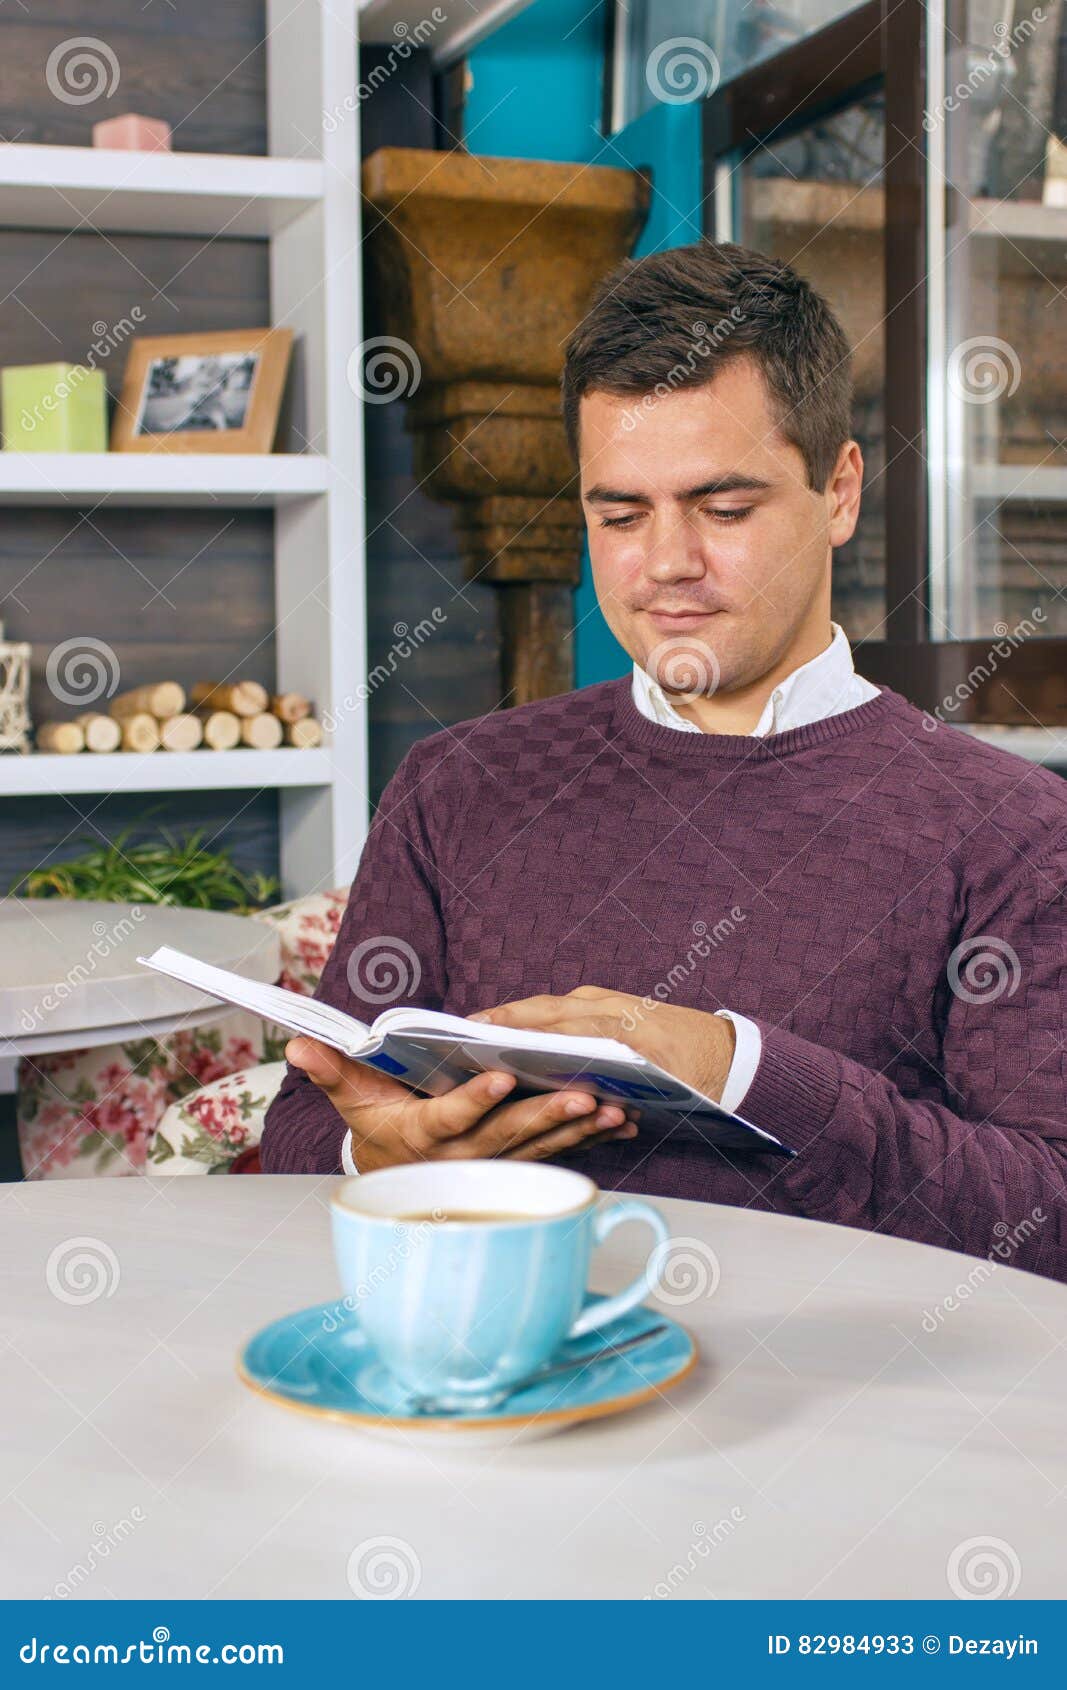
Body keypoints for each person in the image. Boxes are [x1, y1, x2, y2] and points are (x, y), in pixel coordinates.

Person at [261, 239, 1067, 1279]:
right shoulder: (457, 785)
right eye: (619, 513)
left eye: (723, 508)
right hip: (510, 1393)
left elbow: (1046, 1219)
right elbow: (292, 1130)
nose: (666, 564)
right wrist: (371, 1146)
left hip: (837, 1416)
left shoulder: (1009, 831)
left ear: (838, 491)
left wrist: (737, 1068)